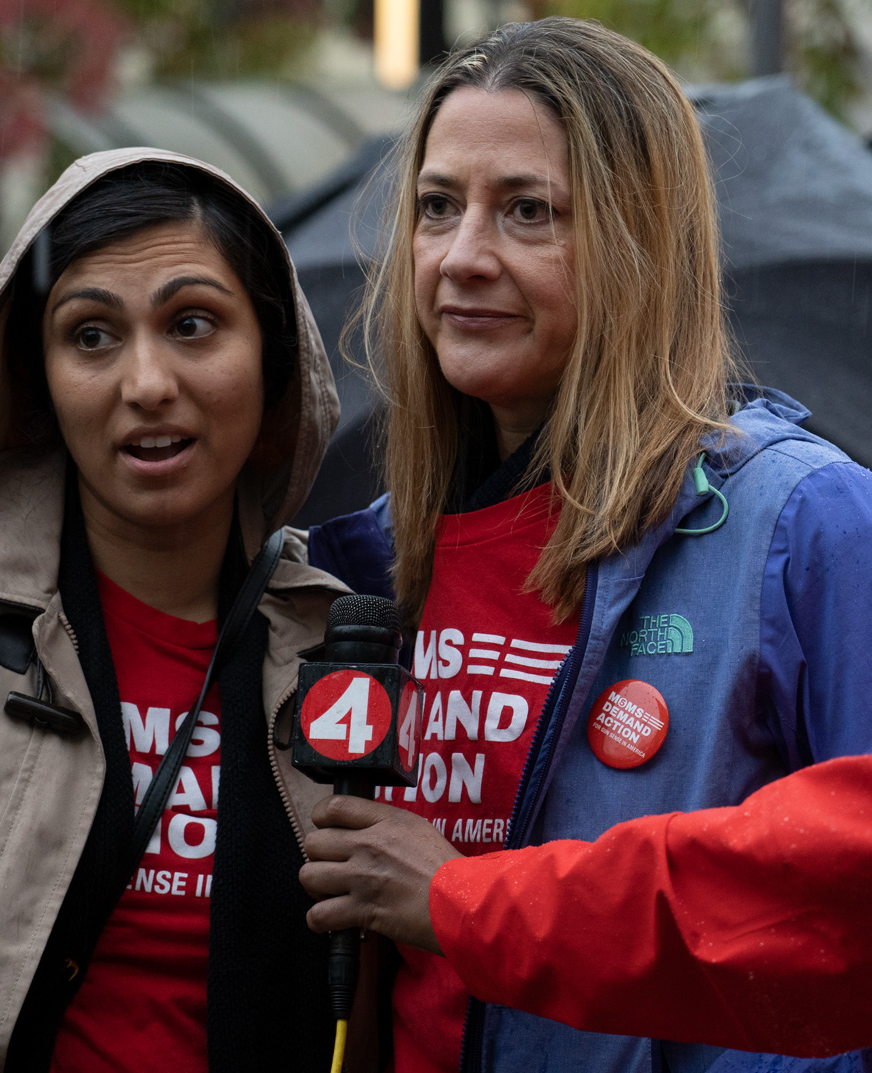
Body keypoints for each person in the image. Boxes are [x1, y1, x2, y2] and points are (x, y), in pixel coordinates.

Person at [301, 17, 872, 1073]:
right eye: (436, 207)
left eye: (527, 211)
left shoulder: (804, 523)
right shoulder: (364, 568)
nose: (462, 256)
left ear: (638, 241)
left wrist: (467, 904)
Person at [0, 148, 365, 1073]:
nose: (145, 384)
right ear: (38, 376)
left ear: (275, 356)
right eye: (90, 335)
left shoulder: (347, 654)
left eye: (193, 324)